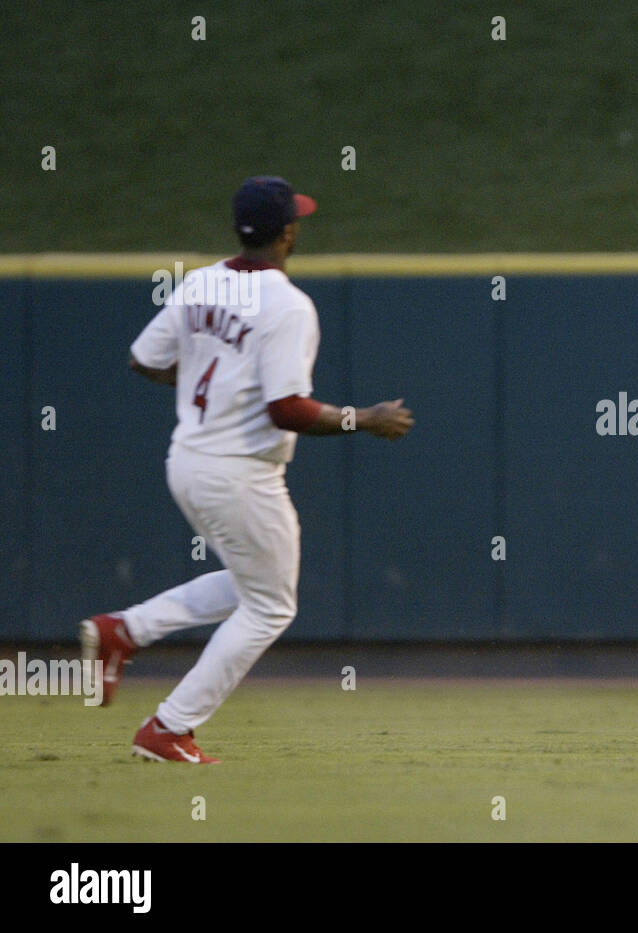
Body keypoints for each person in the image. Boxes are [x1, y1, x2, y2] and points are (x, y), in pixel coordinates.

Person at [80, 176, 414, 763]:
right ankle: (168, 727)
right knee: (271, 604)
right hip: (240, 472)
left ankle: (124, 631)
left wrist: (219, 380)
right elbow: (288, 411)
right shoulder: (287, 304)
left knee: (251, 583)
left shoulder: (201, 282)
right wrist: (363, 418)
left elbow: (144, 360)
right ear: (288, 232)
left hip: (187, 460)